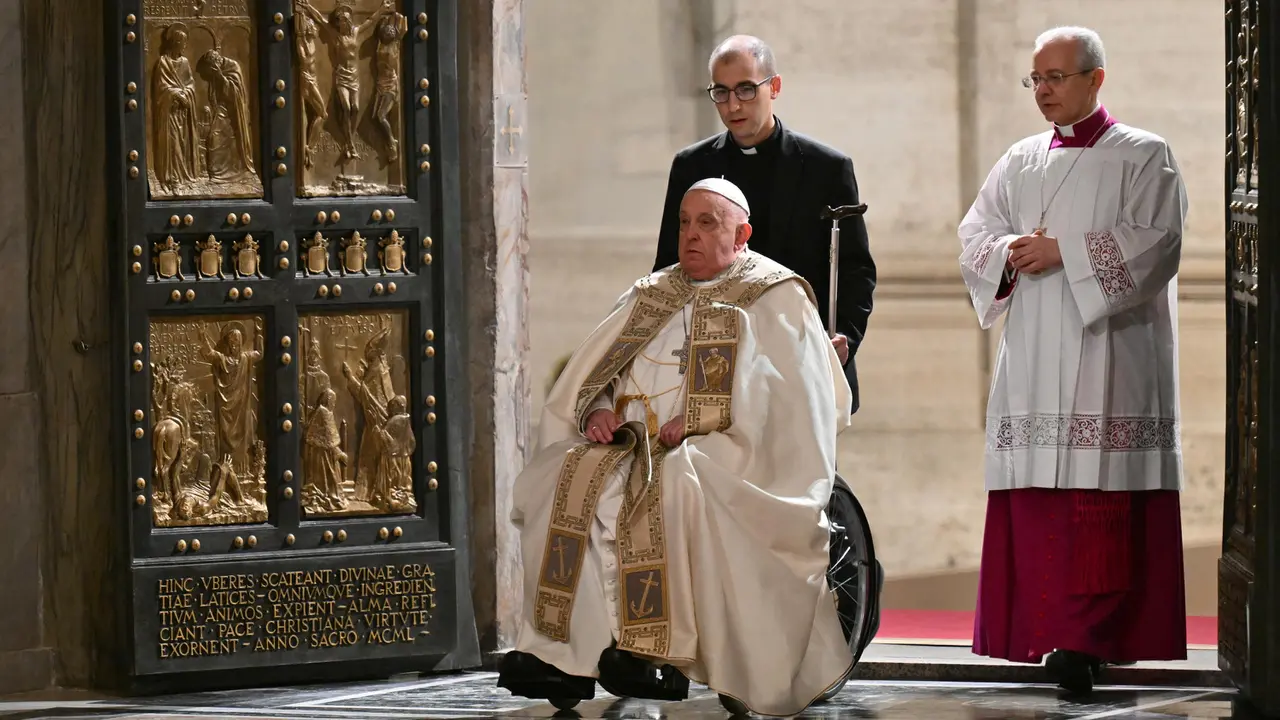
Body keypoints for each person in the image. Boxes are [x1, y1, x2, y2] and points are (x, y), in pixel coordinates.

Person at [499, 178, 853, 716]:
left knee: (673, 483)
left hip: (729, 450)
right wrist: (595, 408)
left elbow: (792, 403)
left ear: (742, 234)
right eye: (685, 222)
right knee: (564, 476)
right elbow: (597, 373)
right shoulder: (653, 293)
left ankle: (653, 653)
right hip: (628, 444)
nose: (690, 235)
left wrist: (701, 421)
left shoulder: (775, 297)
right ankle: (559, 655)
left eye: (707, 223)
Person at [958, 26, 1188, 694]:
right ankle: (1038, 633)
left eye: (1057, 77)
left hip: (1109, 356)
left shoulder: (1145, 156)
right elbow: (975, 232)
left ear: (1096, 79)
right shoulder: (1020, 158)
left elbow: (1157, 243)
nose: (1045, 90)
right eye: (1036, 79)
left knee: (1099, 508)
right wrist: (1005, 253)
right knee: (1039, 506)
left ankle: (1090, 641)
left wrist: (1068, 253)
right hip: (1034, 352)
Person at [651, 35, 876, 412]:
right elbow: (669, 264)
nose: (733, 105)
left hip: (802, 365)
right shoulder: (693, 166)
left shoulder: (827, 168)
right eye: (720, 92)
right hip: (714, 367)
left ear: (774, 87)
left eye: (745, 89)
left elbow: (855, 269)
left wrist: (845, 338)